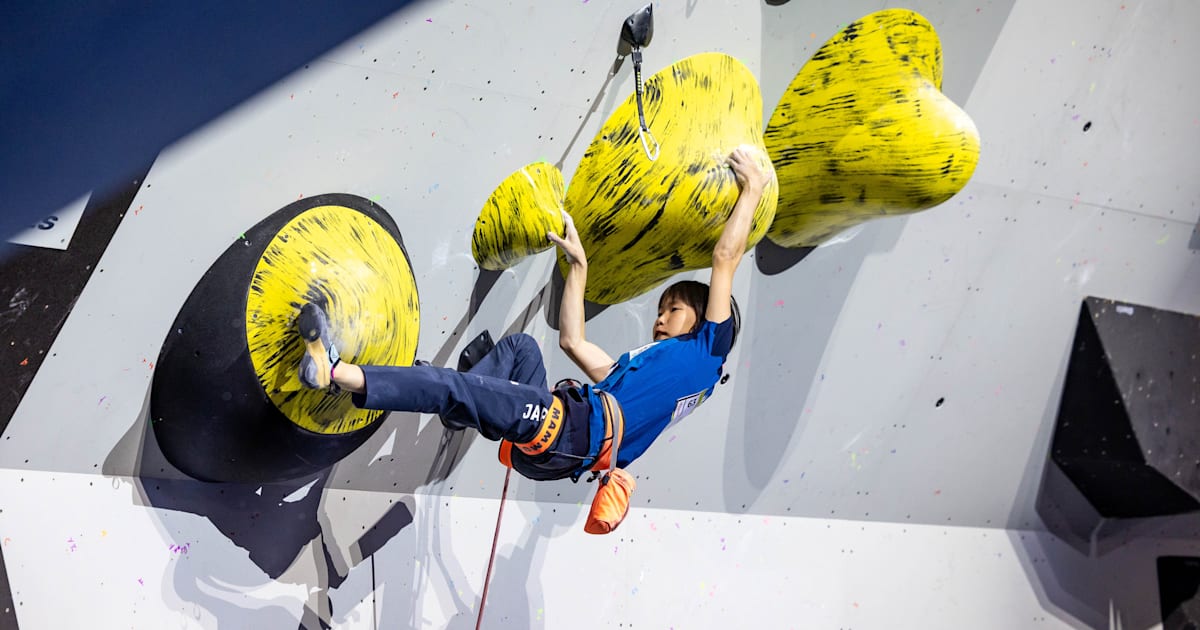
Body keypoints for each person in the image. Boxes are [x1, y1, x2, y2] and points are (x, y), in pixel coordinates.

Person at [296, 145, 769, 482]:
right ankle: (462, 411)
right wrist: (578, 267)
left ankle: (335, 371)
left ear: (706, 315)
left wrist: (753, 188)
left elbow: (725, 258)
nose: (661, 318)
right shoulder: (640, 371)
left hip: (565, 431)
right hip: (568, 437)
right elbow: (573, 342)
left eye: (675, 309)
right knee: (520, 349)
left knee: (451, 385)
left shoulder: (710, 349)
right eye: (662, 308)